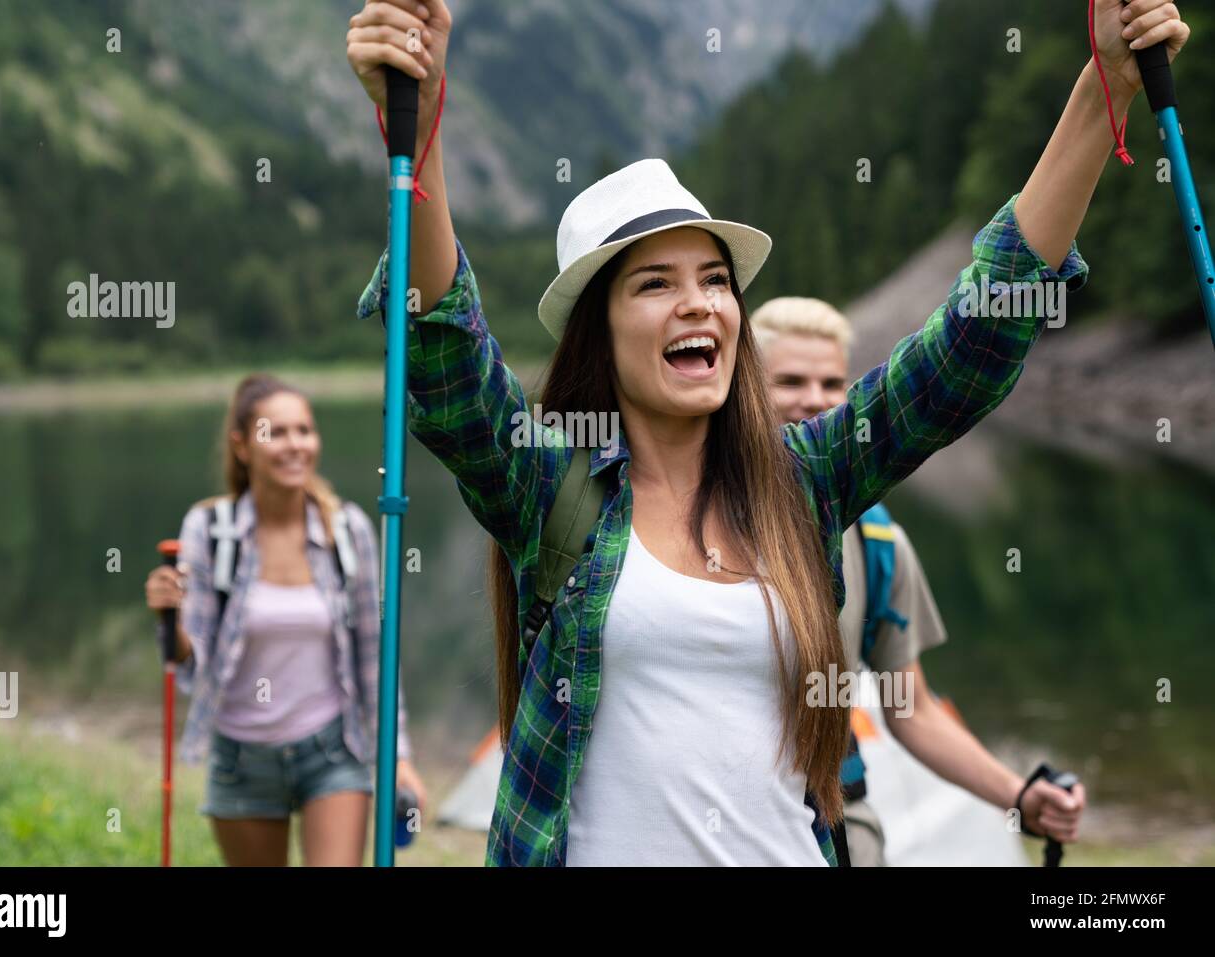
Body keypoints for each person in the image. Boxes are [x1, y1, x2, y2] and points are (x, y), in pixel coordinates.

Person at [347, 0, 1188, 865]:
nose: (700, 302)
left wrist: (1103, 89)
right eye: (655, 284)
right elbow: (445, 353)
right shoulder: (547, 486)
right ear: (599, 332)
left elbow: (970, 345)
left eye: (716, 279)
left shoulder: (805, 479)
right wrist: (424, 122)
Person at [753, 296, 1087, 865]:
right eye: (790, 381)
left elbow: (911, 709)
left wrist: (1019, 797)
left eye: (833, 383)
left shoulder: (880, 545)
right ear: (748, 394)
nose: (815, 400)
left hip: (839, 829)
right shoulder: (683, 525)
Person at [144, 373, 426, 865]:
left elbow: (375, 656)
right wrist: (168, 617)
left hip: (333, 752)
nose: (296, 445)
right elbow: (191, 663)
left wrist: (396, 755)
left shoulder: (348, 530)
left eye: (305, 430)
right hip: (240, 759)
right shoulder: (210, 529)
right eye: (277, 433)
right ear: (242, 446)